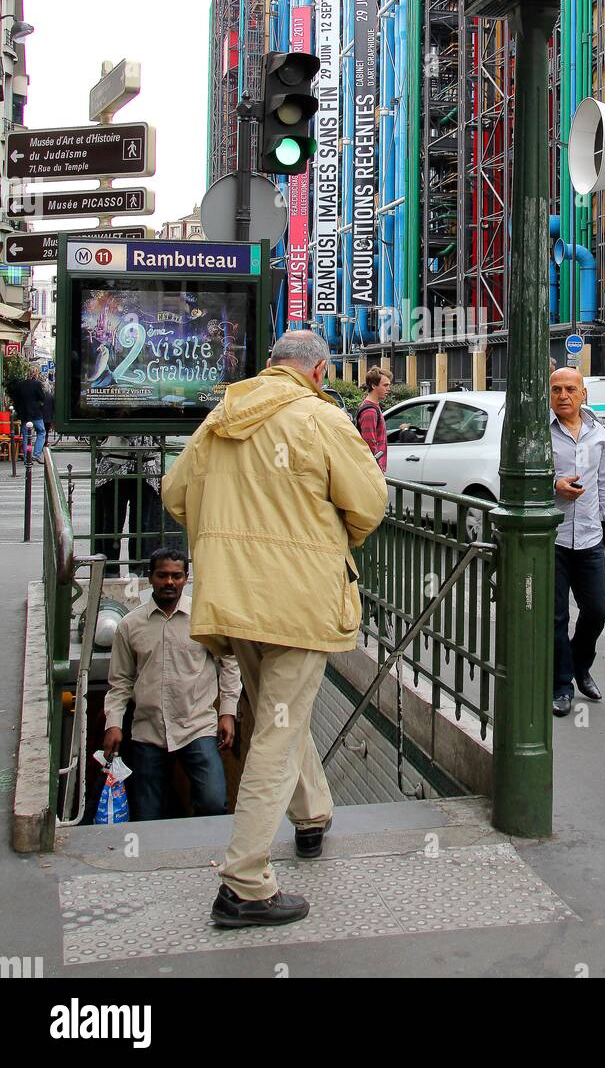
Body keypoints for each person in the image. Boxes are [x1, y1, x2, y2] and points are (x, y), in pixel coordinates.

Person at [162, 330, 388, 929]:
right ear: (318, 372)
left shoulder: (221, 415)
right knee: (277, 734)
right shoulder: (320, 416)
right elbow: (369, 502)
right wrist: (331, 543)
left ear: (271, 366)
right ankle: (245, 882)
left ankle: (311, 817)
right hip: (299, 601)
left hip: (235, 599)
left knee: (277, 718)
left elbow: (174, 493)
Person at [102, 548, 241, 821]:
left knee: (213, 803)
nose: (169, 582)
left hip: (197, 726)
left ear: (186, 578)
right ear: (150, 578)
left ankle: (203, 857)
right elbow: (120, 681)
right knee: (148, 813)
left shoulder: (205, 620)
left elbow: (229, 662)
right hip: (147, 730)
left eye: (176, 576)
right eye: (162, 575)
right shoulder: (130, 626)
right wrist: (114, 723)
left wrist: (228, 712)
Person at [550, 366, 605, 714]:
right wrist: (555, 486)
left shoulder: (599, 436)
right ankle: (562, 684)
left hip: (591, 538)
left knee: (597, 609)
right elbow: (524, 478)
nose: (562, 396)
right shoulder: (541, 433)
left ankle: (581, 666)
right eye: (556, 390)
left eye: (569, 389)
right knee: (556, 618)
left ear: (583, 394)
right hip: (553, 538)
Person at [94, 436, 164, 577]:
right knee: (113, 524)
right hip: (116, 464)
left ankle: (136, 568)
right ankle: (111, 570)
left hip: (144, 465)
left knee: (140, 524)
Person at [355, 365, 392, 473]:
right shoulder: (370, 411)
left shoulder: (373, 407)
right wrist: (378, 469)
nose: (388, 389)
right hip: (372, 470)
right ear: (373, 385)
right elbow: (369, 443)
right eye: (385, 385)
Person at [6, 366, 46, 462]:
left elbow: (16, 400)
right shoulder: (37, 384)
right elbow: (42, 397)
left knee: (26, 437)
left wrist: (19, 410)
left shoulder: (20, 385)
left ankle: (27, 457)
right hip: (36, 413)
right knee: (41, 432)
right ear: (35, 374)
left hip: (24, 415)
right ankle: (36, 454)